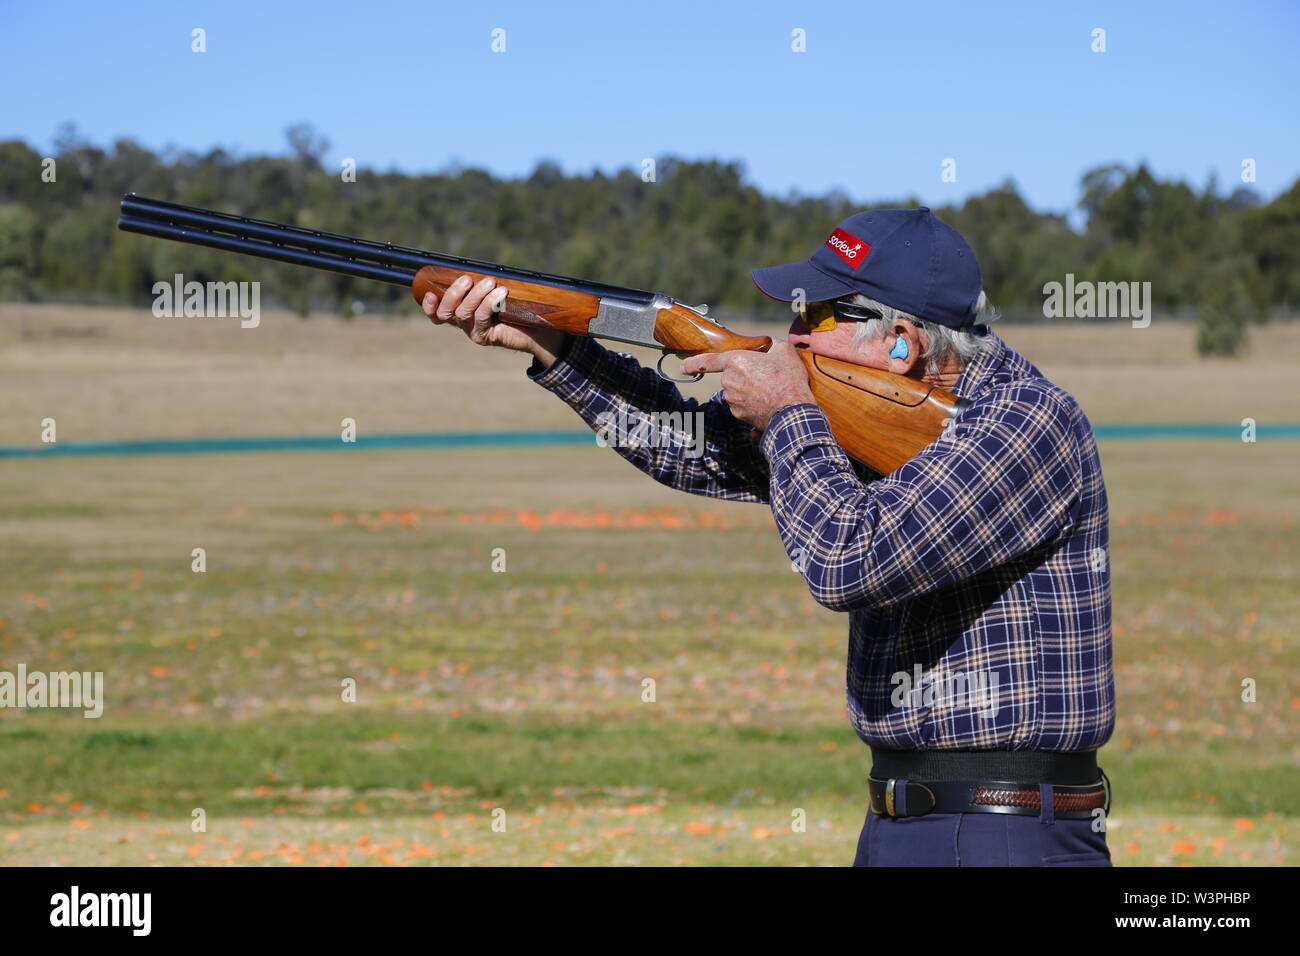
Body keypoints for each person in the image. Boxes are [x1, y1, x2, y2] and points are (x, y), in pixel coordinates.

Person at [420, 207, 1115, 867]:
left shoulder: (1026, 423)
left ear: (901, 342)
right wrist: (558, 350)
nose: (795, 335)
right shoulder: (855, 420)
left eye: (816, 314)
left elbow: (849, 559)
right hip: (899, 820)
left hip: (1006, 835)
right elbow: (688, 449)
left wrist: (788, 410)